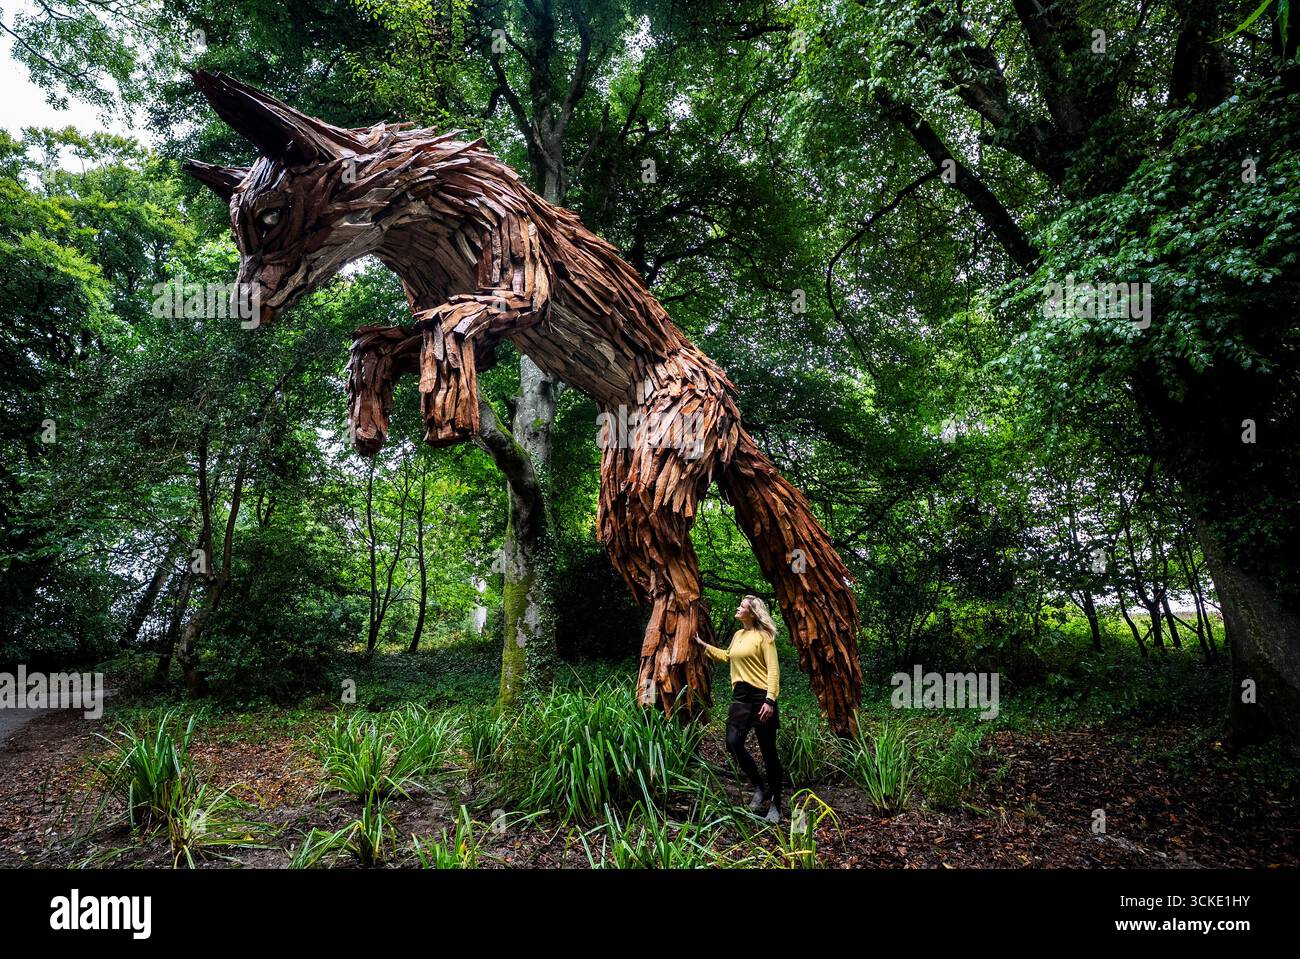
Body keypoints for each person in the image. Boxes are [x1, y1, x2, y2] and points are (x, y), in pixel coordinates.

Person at [696, 594, 784, 823]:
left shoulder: (764, 637)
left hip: (761, 696)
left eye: (741, 606)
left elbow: (773, 670)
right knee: (733, 743)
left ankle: (776, 804)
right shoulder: (737, 635)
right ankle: (759, 786)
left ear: (752, 613)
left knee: (768, 751)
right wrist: (703, 646)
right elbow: (728, 656)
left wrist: (770, 700)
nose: (737, 608)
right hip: (740, 697)